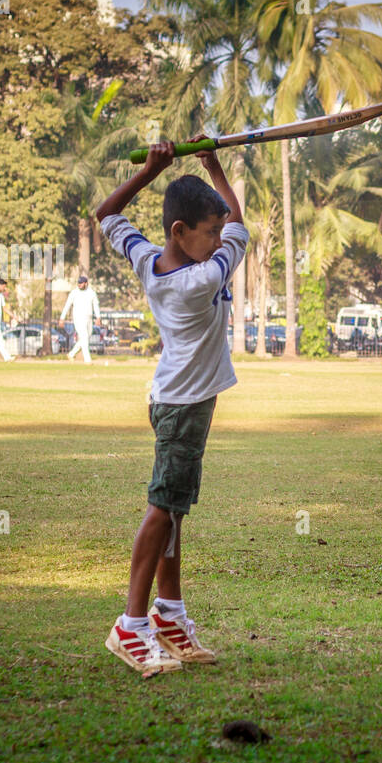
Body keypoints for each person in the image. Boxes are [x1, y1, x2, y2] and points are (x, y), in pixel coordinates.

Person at [94, 135, 247, 677]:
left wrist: (152, 171)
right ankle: (130, 625)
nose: (215, 239)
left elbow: (107, 213)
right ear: (181, 232)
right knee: (162, 511)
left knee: (175, 511)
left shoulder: (147, 258)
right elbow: (239, 229)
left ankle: (169, 614)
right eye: (207, 232)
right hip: (182, 406)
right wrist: (216, 169)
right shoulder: (202, 278)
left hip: (179, 401)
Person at [60, 275, 101, 363]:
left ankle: (71, 354)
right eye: (78, 283)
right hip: (78, 317)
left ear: (86, 283)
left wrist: (98, 317)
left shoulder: (91, 293)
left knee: (85, 337)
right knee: (84, 336)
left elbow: (96, 305)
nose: (79, 285)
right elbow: (67, 305)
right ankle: (88, 360)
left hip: (89, 318)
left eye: (81, 283)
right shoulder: (74, 293)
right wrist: (62, 318)